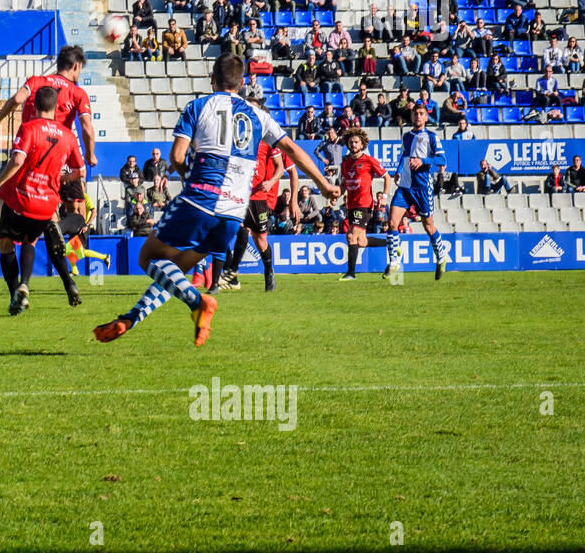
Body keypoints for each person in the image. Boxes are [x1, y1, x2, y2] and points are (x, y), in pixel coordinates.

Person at [93, 55, 337, 346]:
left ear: (212, 79)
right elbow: (293, 149)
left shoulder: (199, 106)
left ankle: (199, 302)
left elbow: (176, 157)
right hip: (234, 213)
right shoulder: (258, 115)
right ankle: (130, 318)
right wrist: (323, 183)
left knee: (148, 257)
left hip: (200, 198)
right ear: (242, 82)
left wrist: (187, 176)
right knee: (176, 272)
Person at [0, 45, 96, 306]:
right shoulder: (78, 93)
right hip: (61, 158)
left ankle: (19, 291)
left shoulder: (38, 82)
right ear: (76, 66)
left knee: (13, 237)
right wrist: (90, 154)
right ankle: (69, 282)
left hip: (29, 157)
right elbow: (87, 126)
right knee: (62, 219)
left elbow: (17, 100)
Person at [215, 83, 290, 293]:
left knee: (261, 239)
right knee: (233, 229)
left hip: (258, 196)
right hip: (237, 193)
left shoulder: (266, 136)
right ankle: (230, 274)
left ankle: (268, 272)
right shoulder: (235, 134)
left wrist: (272, 181)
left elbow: (280, 167)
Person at [383, 104, 447, 284]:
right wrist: (397, 170)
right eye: (415, 114)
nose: (418, 117)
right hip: (404, 186)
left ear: (426, 117)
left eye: (421, 114)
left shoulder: (432, 137)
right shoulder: (406, 136)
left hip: (421, 188)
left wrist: (423, 160)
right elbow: (405, 155)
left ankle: (441, 256)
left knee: (428, 226)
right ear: (411, 117)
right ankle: (394, 262)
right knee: (392, 222)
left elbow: (442, 159)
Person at [336, 129, 393, 280]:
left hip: (364, 204)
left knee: (350, 236)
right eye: (350, 142)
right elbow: (344, 183)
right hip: (351, 205)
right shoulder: (346, 163)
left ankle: (351, 273)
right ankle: (391, 244)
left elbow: (387, 177)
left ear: (362, 144)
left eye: (356, 142)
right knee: (361, 241)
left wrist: (385, 196)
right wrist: (337, 194)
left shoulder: (369, 160)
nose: (353, 144)